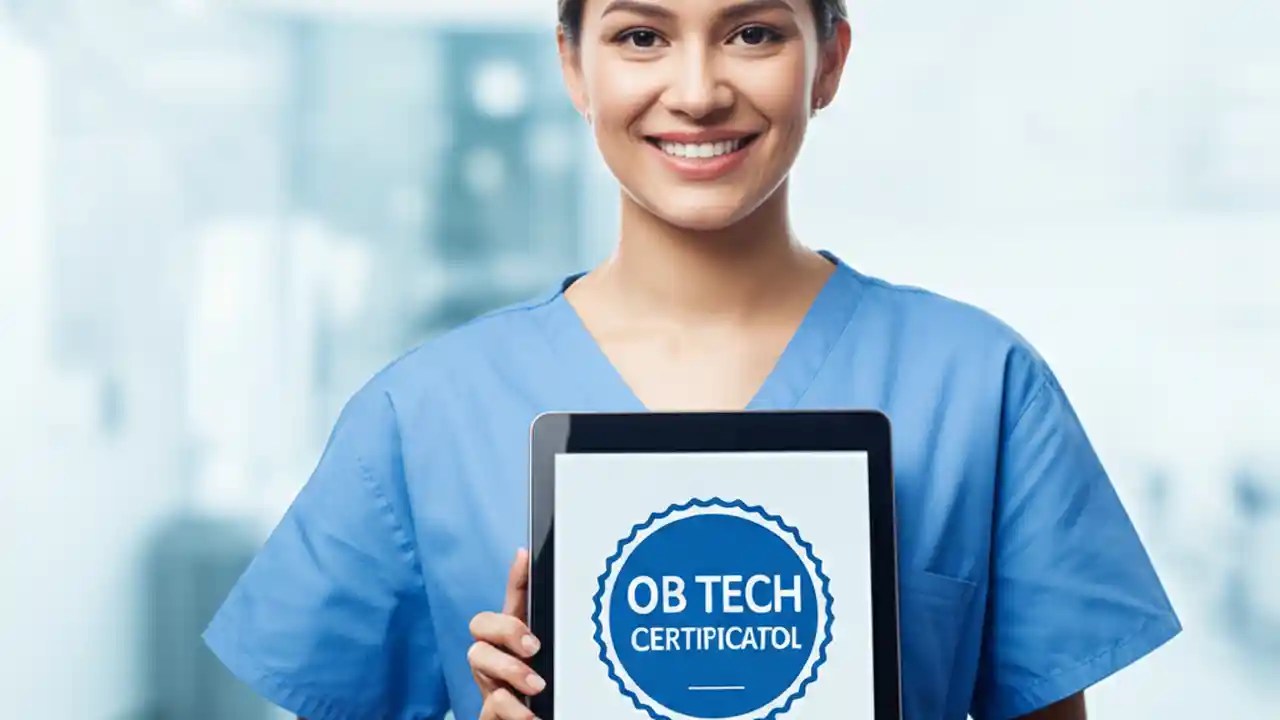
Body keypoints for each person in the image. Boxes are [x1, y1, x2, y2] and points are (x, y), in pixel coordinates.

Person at [202, 0, 1182, 718]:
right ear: (573, 67)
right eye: (639, 36)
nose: (699, 91)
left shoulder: (978, 387)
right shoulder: (420, 416)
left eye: (753, 32)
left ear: (828, 60)